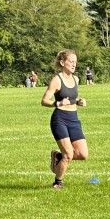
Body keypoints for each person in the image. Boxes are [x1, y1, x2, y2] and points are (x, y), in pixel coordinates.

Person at [43, 49, 89, 189]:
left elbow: (72, 99)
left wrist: (79, 101)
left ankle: (58, 157)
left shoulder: (76, 79)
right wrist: (57, 103)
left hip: (73, 119)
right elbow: (44, 100)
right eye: (71, 61)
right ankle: (58, 183)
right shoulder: (57, 80)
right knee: (68, 154)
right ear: (63, 62)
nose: (74, 65)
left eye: (75, 62)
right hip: (60, 119)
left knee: (82, 154)